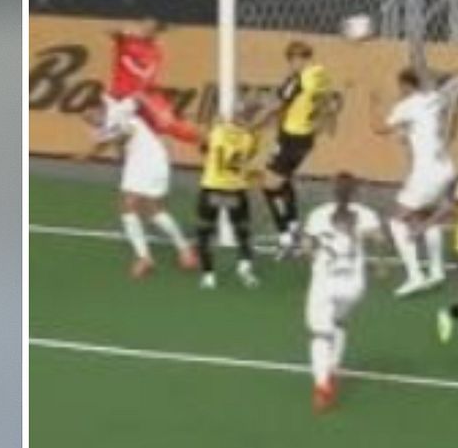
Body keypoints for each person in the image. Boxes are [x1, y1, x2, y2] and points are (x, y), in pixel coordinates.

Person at [82, 98, 197, 278]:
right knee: (127, 206)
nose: (90, 121)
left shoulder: (118, 112)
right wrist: (90, 154)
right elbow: (109, 142)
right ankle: (145, 258)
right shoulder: (99, 131)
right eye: (86, 119)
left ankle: (184, 248)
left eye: (91, 115)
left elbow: (126, 131)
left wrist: (96, 149)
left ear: (100, 109)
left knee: (153, 210)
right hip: (135, 164)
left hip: (153, 160)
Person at [371, 67, 458, 298]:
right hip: (446, 168)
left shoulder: (407, 106)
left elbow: (378, 128)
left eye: (400, 87)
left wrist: (373, 103)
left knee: (397, 221)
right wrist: (444, 142)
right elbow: (452, 114)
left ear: (406, 85)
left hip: (426, 174)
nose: (398, 91)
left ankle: (415, 275)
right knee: (425, 215)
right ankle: (437, 271)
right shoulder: (434, 99)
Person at [299, 172, 382, 413]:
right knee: (339, 322)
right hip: (353, 286)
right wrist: (378, 262)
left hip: (324, 283)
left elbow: (307, 247)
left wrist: (315, 258)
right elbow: (378, 238)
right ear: (356, 191)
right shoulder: (366, 215)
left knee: (320, 335)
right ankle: (332, 369)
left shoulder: (317, 214)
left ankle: (322, 386)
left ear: (331, 190)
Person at [259, 41, 333, 258]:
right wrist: (320, 122)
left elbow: (275, 105)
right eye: (291, 60)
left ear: (301, 59)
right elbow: (326, 102)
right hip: (305, 137)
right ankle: (293, 227)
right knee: (284, 181)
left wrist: (251, 125)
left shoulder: (297, 80)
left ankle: (286, 238)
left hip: (291, 138)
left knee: (269, 185)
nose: (291, 64)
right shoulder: (321, 74)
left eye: (293, 60)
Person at [195, 103, 262, 289]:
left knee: (205, 232)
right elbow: (248, 157)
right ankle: (245, 267)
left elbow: (203, 148)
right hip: (235, 191)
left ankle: (208, 276)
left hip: (212, 188)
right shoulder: (250, 138)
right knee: (242, 230)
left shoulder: (216, 131)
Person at [107, 17, 200, 145]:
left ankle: (206, 142)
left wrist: (145, 98)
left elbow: (147, 77)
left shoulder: (155, 51)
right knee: (118, 132)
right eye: (144, 26)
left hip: (142, 96)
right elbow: (110, 31)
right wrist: (126, 31)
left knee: (167, 124)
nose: (145, 30)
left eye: (151, 28)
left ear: (156, 32)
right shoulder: (126, 40)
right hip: (121, 96)